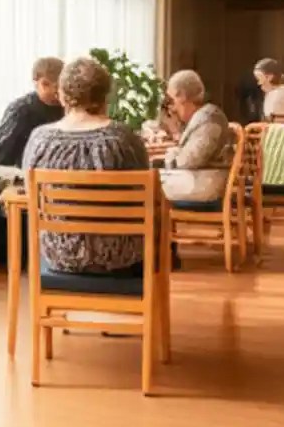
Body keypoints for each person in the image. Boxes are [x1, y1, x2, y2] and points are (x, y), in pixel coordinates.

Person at [21, 57, 149, 275]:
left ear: (62, 96)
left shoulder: (40, 139)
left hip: (60, 254)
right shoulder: (125, 139)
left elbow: (30, 193)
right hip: (120, 255)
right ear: (104, 96)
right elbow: (143, 196)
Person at [150, 70, 233, 202]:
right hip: (198, 178)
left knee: (147, 181)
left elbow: (190, 160)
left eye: (171, 100)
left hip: (205, 184)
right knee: (148, 178)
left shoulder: (210, 118)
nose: (172, 107)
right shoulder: (202, 117)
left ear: (182, 96)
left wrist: (170, 157)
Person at [0, 56, 65, 168]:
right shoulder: (20, 110)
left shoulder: (70, 108)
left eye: (58, 86)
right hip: (23, 173)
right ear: (35, 82)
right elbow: (0, 155)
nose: (53, 91)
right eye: (46, 84)